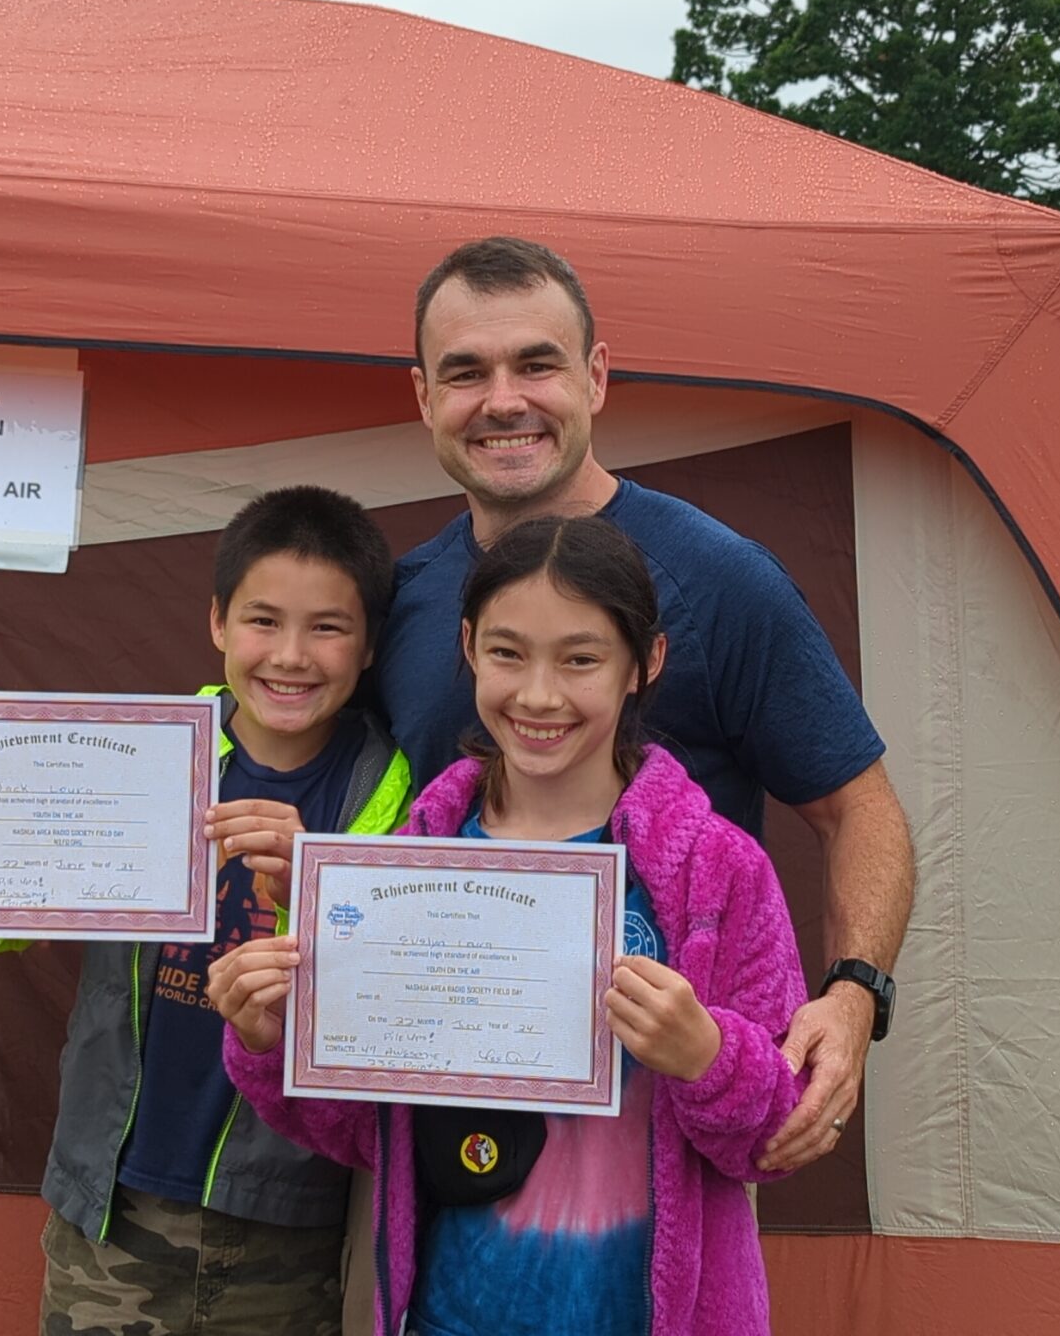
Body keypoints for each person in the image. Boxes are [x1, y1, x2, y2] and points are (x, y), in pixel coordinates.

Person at [376, 237, 911, 1170]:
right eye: (466, 372)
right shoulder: (411, 597)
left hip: (668, 1146)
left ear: (596, 377)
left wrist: (855, 993)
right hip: (446, 1121)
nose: (504, 400)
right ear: (423, 397)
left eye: (536, 364)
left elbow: (858, 806)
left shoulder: (719, 580)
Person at [0, 487, 412, 1336]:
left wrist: (318, 888)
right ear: (217, 622)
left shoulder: (393, 795)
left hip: (292, 1213)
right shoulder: (133, 756)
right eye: (262, 620)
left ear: (368, 648)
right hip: (112, 1196)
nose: (291, 655)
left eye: (328, 627)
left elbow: (388, 1010)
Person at [211, 515, 806, 1336]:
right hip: (448, 1314)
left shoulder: (716, 871)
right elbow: (363, 1133)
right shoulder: (407, 864)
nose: (537, 695)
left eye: (581, 659)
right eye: (507, 653)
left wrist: (707, 1056)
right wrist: (269, 1037)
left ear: (647, 663)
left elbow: (782, 1133)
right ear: (467, 647)